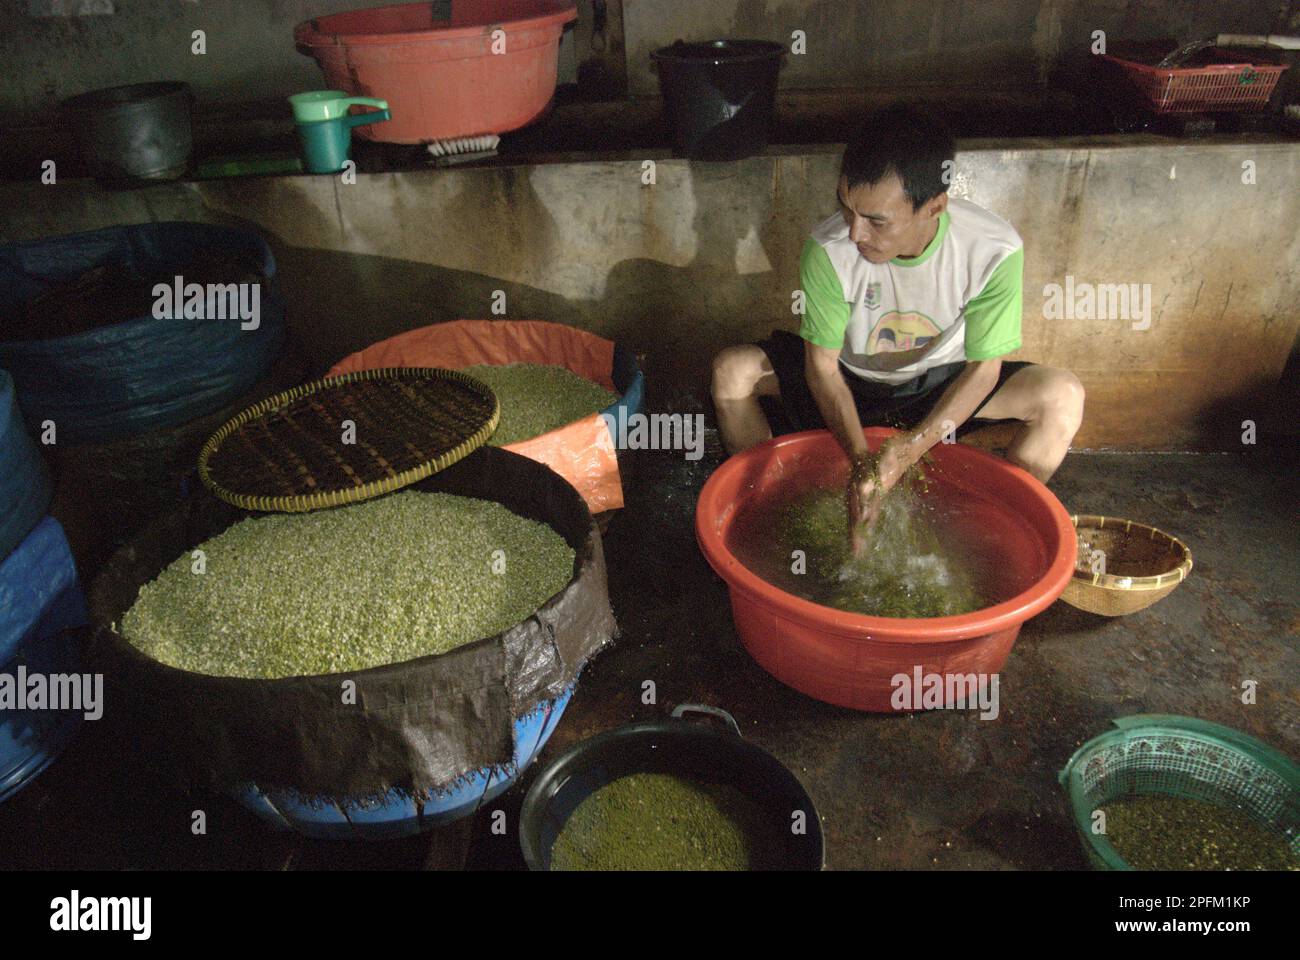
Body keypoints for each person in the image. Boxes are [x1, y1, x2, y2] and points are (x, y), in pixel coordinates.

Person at [711, 103, 1084, 546]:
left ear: (934, 207)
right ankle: (770, 517)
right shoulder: (828, 248)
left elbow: (983, 369)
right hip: (849, 382)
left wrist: (908, 451)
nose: (855, 233)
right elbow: (823, 368)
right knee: (731, 372)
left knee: (1062, 396)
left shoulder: (992, 250)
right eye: (847, 209)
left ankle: (984, 533)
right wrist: (862, 463)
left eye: (876, 221)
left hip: (939, 386)